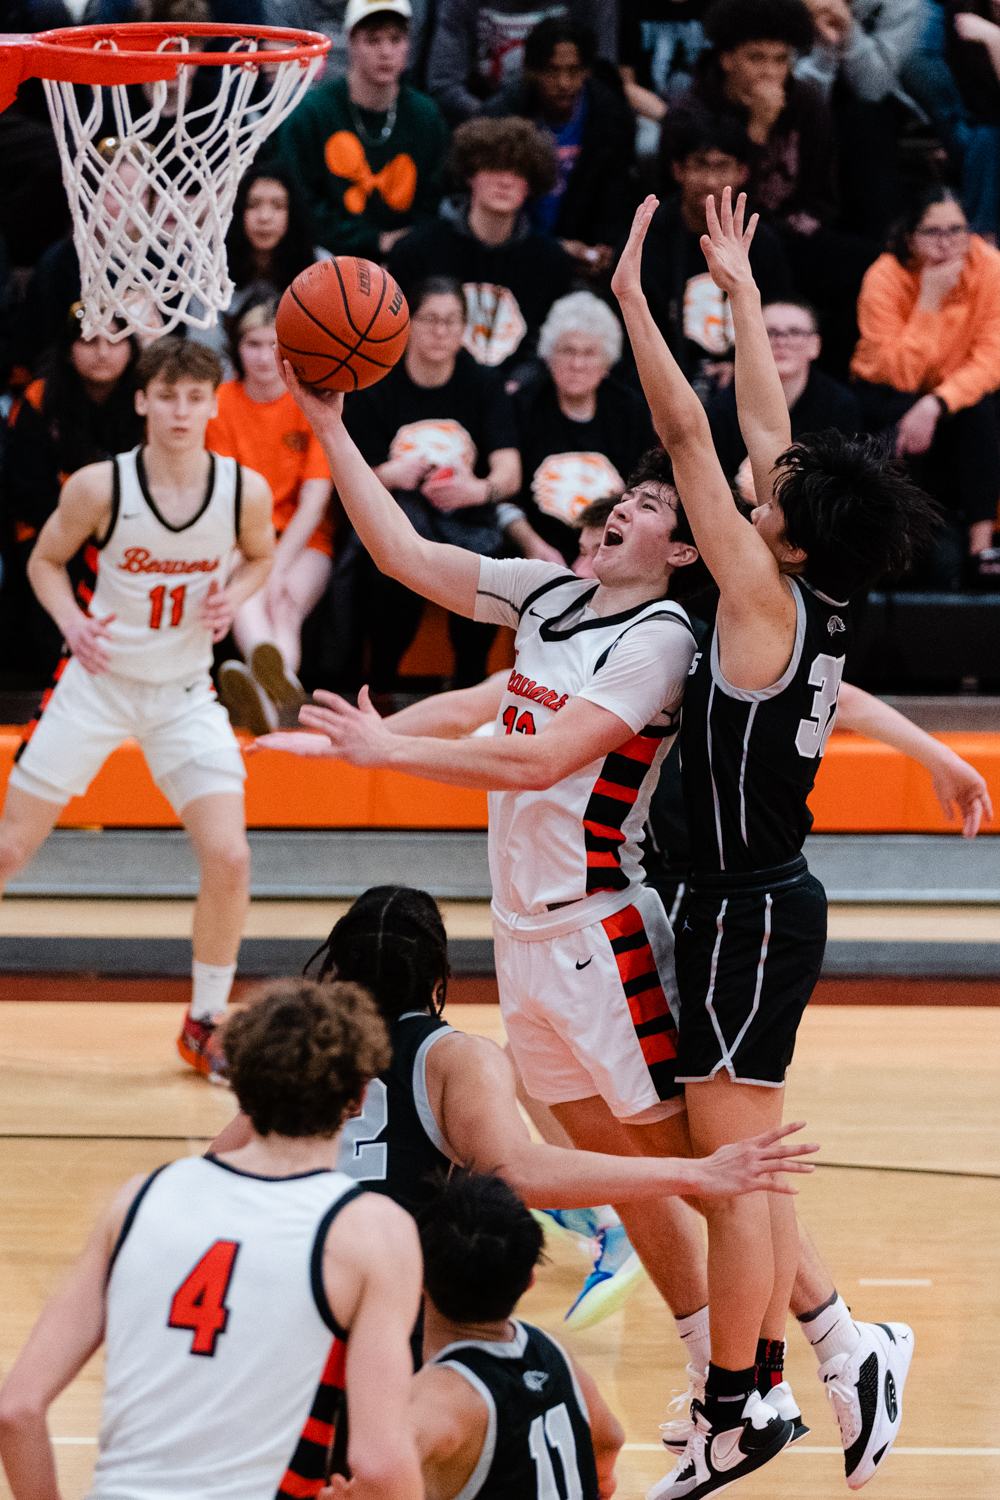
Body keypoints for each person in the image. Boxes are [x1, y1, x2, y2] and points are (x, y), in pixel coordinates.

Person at [613, 187, 936, 1496]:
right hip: (742, 900)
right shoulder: (804, 589)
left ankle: (743, 1408)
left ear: (787, 531)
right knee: (715, 1157)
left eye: (778, 494)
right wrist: (740, 293)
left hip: (749, 907)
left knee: (732, 1167)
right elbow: (758, 430)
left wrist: (642, 306)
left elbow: (695, 432)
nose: (765, 482)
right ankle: (843, 1350)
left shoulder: (756, 596)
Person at [211, 884, 819, 1327]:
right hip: (396, 1306)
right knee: (570, 1410)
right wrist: (693, 1172)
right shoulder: (453, 1058)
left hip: (289, 1290)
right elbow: (519, 1171)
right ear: (437, 976)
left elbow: (212, 1172)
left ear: (336, 967)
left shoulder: (304, 1052)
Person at [0, 980, 425, 1500]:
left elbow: (15, 1410)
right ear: (360, 1095)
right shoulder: (371, 1231)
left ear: (240, 1086)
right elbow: (380, 1464)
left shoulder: (139, 1199)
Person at [0, 337, 274, 1080]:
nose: (183, 410)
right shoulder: (99, 486)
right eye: (169, 395)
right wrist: (72, 622)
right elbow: (42, 560)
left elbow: (261, 555)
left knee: (230, 855)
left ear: (212, 403)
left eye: (196, 396)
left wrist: (236, 596)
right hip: (97, 685)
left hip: (186, 692)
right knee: (8, 851)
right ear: (143, 401)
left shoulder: (243, 490)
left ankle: (205, 1021)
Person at [661, 0, 880, 374]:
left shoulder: (807, 103)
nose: (770, 71)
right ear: (727, 58)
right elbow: (689, 199)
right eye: (756, 58)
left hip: (789, 240)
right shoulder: (690, 112)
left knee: (873, 268)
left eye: (780, 60)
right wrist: (758, 133)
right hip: (714, 243)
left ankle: (832, 384)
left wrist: (788, 233)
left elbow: (822, 198)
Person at [342, 276, 522, 688]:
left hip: (465, 513)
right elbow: (347, 473)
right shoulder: (375, 385)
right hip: (397, 513)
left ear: (463, 327)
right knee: (394, 564)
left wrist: (477, 488)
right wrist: (390, 473)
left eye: (451, 321)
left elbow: (509, 471)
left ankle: (468, 685)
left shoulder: (484, 384)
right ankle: (380, 685)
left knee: (485, 565)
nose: (441, 331)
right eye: (430, 320)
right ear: (408, 325)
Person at [409, 1171, 623, 1500]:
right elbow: (610, 1437)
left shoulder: (438, 1397)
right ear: (530, 1281)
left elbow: (379, 1471)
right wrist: (600, 1484)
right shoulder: (554, 1354)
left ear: (417, 1276)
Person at [851, 184, 1000, 588]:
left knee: (984, 409)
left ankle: (981, 546)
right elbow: (899, 374)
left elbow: (991, 359)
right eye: (933, 232)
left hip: (951, 395)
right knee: (891, 408)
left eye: (957, 231)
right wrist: (930, 300)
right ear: (909, 236)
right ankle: (905, 547)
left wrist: (936, 403)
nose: (948, 243)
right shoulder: (884, 276)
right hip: (887, 392)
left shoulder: (988, 267)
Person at [205, 291, 334, 729]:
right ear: (236, 347)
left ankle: (263, 695)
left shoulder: (311, 402)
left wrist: (277, 565)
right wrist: (261, 561)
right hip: (238, 536)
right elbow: (224, 497)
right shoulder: (219, 401)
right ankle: (280, 699)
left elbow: (315, 503)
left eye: (274, 344)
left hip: (304, 540)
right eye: (252, 344)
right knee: (247, 596)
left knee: (288, 602)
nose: (264, 357)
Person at [2, 305, 144, 681]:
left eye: (114, 340)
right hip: (50, 531)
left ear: (131, 347)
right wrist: (81, 531)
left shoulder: (146, 399)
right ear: (68, 348)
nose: (102, 351)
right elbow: (25, 489)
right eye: (89, 340)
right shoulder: (39, 398)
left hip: (131, 533)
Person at [386, 117, 574, 379]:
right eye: (494, 167)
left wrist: (518, 385)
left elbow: (547, 347)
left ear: (531, 183)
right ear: (470, 174)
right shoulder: (417, 250)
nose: (506, 181)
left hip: (516, 403)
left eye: (518, 172)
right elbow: (393, 337)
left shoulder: (551, 261)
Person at [272, 0, 449, 263]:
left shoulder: (426, 116)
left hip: (408, 258)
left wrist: (407, 241)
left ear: (408, 45)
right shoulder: (312, 114)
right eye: (373, 40)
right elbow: (299, 199)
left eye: (396, 39)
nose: (386, 52)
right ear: (352, 42)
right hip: (324, 257)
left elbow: (435, 199)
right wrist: (371, 239)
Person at [641, 111, 793, 391]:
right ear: (678, 170)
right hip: (663, 382)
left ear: (742, 173)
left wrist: (741, 367)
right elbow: (636, 334)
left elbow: (779, 320)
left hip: (745, 380)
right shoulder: (649, 237)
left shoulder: (759, 240)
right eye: (700, 166)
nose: (710, 181)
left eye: (722, 167)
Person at [484, 16, 638, 280]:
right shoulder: (501, 117)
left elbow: (617, 190)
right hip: (514, 254)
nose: (564, 83)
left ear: (587, 71)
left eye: (574, 70)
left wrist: (607, 246)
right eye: (553, 71)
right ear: (532, 71)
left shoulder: (611, 116)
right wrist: (550, 249)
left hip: (586, 256)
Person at [512, 292, 657, 565]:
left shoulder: (630, 411)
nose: (577, 364)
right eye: (567, 350)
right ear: (549, 356)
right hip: (537, 553)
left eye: (589, 353)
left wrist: (597, 553)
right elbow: (508, 500)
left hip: (613, 552)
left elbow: (643, 494)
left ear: (607, 363)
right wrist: (533, 547)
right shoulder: (524, 406)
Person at [707, 298, 861, 492]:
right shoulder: (724, 405)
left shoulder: (840, 405)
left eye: (795, 332)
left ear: (815, 345)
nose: (781, 342)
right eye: (770, 333)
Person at [424, 0, 619, 124]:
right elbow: (443, 84)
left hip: (572, 125)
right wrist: (497, 122)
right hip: (484, 126)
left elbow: (603, 79)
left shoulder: (596, 3)